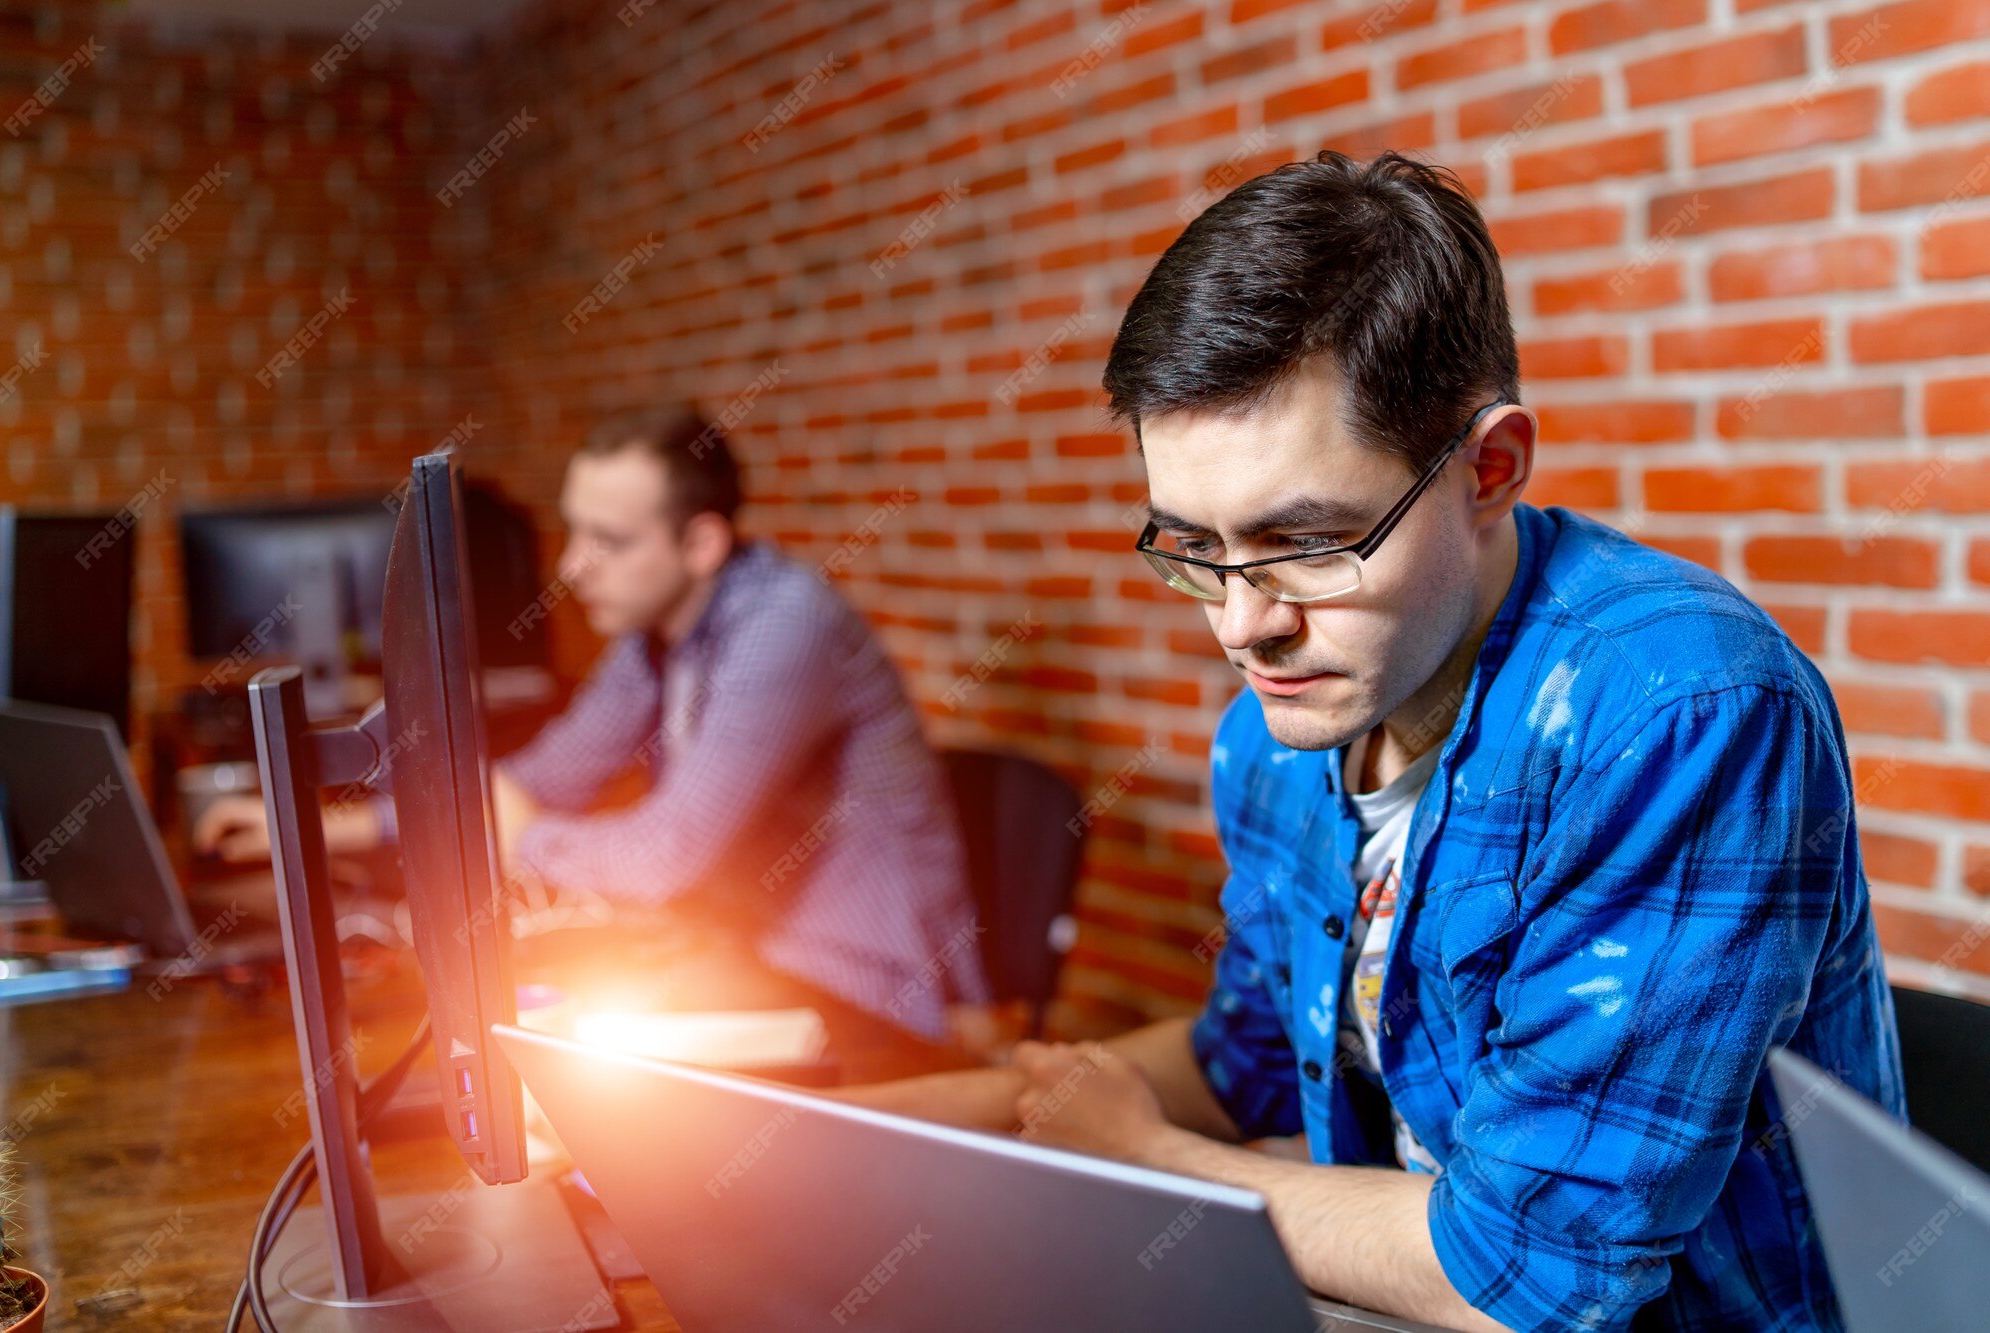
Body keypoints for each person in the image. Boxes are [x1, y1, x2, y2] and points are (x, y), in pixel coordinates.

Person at [850, 152, 1904, 1331]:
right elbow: (1245, 1057)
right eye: (1193, 546)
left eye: (1306, 542)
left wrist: (1153, 1159)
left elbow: (1534, 1284)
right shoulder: (1279, 731)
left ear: (1488, 468)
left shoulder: (1678, 714)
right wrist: (864, 1131)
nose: (1245, 625)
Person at [197, 408, 989, 1040]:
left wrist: (516, 832)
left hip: (861, 996)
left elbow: (661, 860)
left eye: (608, 541)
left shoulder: (784, 628)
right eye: (576, 530)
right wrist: (311, 828)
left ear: (702, 541)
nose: (573, 566)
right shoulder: (657, 630)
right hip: (739, 966)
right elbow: (546, 777)